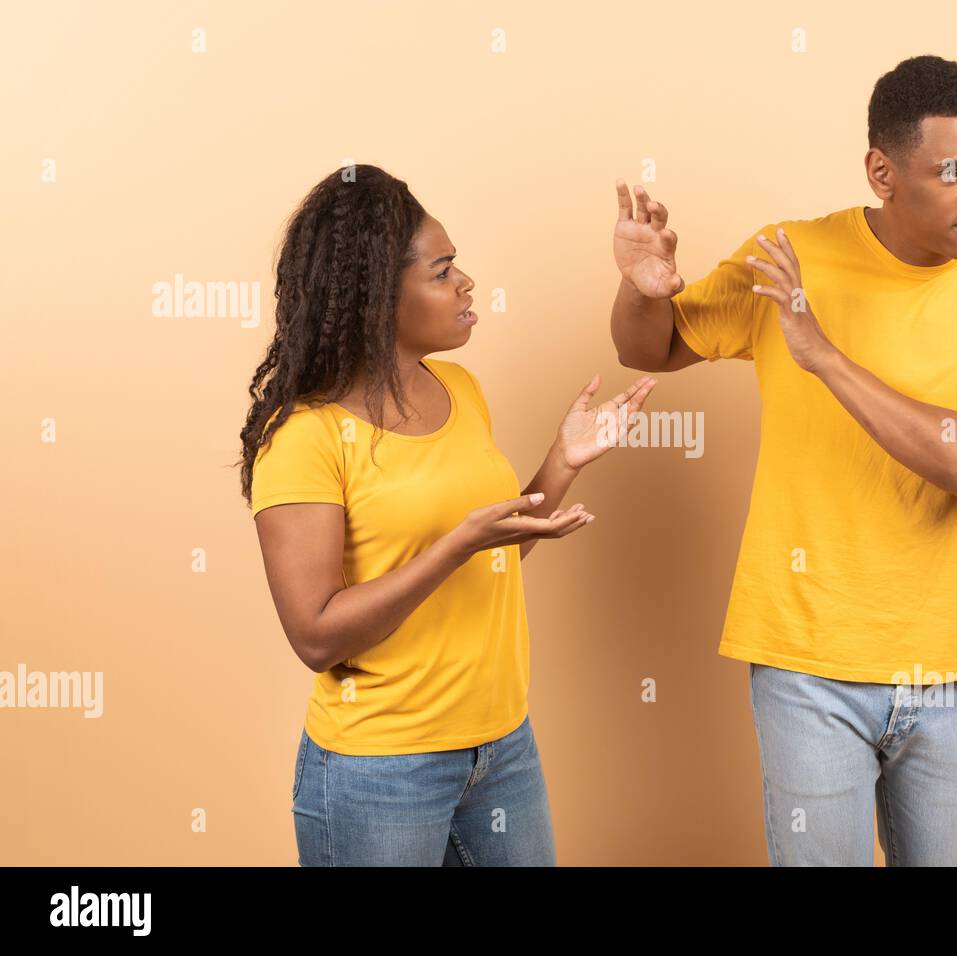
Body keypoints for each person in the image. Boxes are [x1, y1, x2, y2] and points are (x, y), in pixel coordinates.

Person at [609, 54, 957, 866]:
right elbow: (651, 348)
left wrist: (820, 354)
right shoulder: (790, 253)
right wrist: (644, 288)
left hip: (952, 671)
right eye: (955, 170)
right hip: (804, 662)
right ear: (882, 171)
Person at [238, 164, 655, 866]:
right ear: (377, 300)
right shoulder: (303, 436)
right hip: (381, 771)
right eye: (442, 271)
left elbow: (491, 548)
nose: (465, 284)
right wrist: (453, 547)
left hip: (502, 749)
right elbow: (314, 635)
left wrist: (562, 460)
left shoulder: (459, 388)